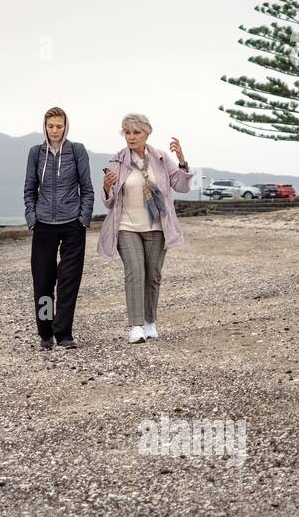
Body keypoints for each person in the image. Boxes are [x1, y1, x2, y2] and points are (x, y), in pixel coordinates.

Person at [97, 114, 193, 343]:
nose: (131, 137)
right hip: (126, 226)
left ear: (146, 134)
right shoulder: (117, 161)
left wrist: (181, 160)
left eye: (136, 132)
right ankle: (136, 326)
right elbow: (109, 203)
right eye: (127, 132)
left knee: (153, 275)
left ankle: (150, 322)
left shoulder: (161, 158)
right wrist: (107, 187)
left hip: (157, 227)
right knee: (135, 272)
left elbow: (181, 186)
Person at [23, 107, 94, 350]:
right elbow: (29, 190)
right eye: (51, 126)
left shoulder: (76, 151)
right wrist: (32, 218)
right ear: (45, 127)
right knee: (43, 283)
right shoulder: (36, 153)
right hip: (43, 226)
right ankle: (45, 334)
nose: (55, 130)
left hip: (72, 225)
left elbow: (87, 188)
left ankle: (64, 334)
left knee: (68, 282)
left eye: (59, 126)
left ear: (66, 126)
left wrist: (83, 219)